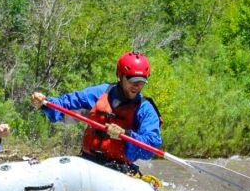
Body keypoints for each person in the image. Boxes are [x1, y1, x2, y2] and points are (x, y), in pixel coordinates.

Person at [30, 51, 162, 174]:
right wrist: (45, 103)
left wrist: (125, 134)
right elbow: (67, 102)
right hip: (89, 161)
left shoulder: (146, 109)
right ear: (120, 76)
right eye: (131, 80)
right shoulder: (101, 92)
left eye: (141, 81)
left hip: (120, 170)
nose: (136, 86)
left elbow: (151, 144)